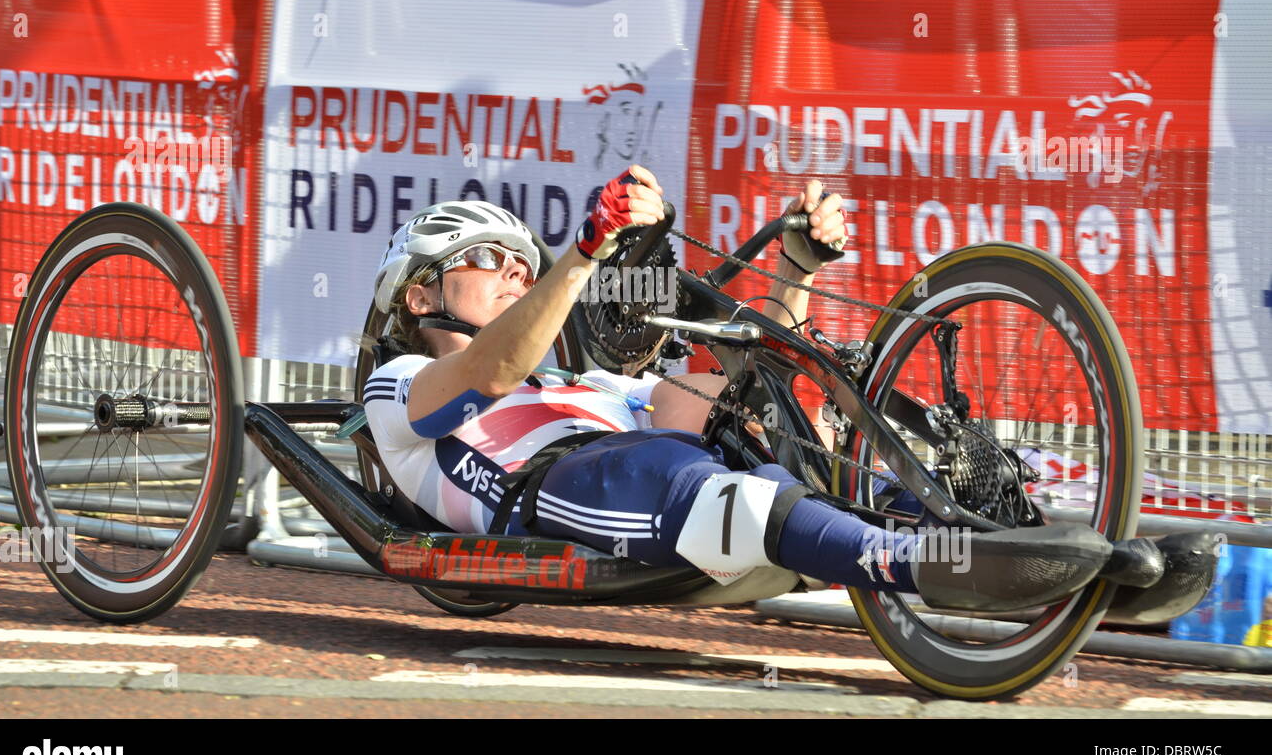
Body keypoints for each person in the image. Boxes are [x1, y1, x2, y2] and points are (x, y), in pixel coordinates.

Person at [363, 166, 1116, 609]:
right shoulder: (397, 387)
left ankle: (1051, 549)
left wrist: (798, 267)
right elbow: (486, 372)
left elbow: (749, 390)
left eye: (524, 265)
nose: (515, 274)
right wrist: (587, 251)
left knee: (751, 433)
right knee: (665, 467)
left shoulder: (585, 380)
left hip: (649, 473)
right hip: (553, 492)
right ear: (421, 296)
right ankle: (914, 561)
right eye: (488, 258)